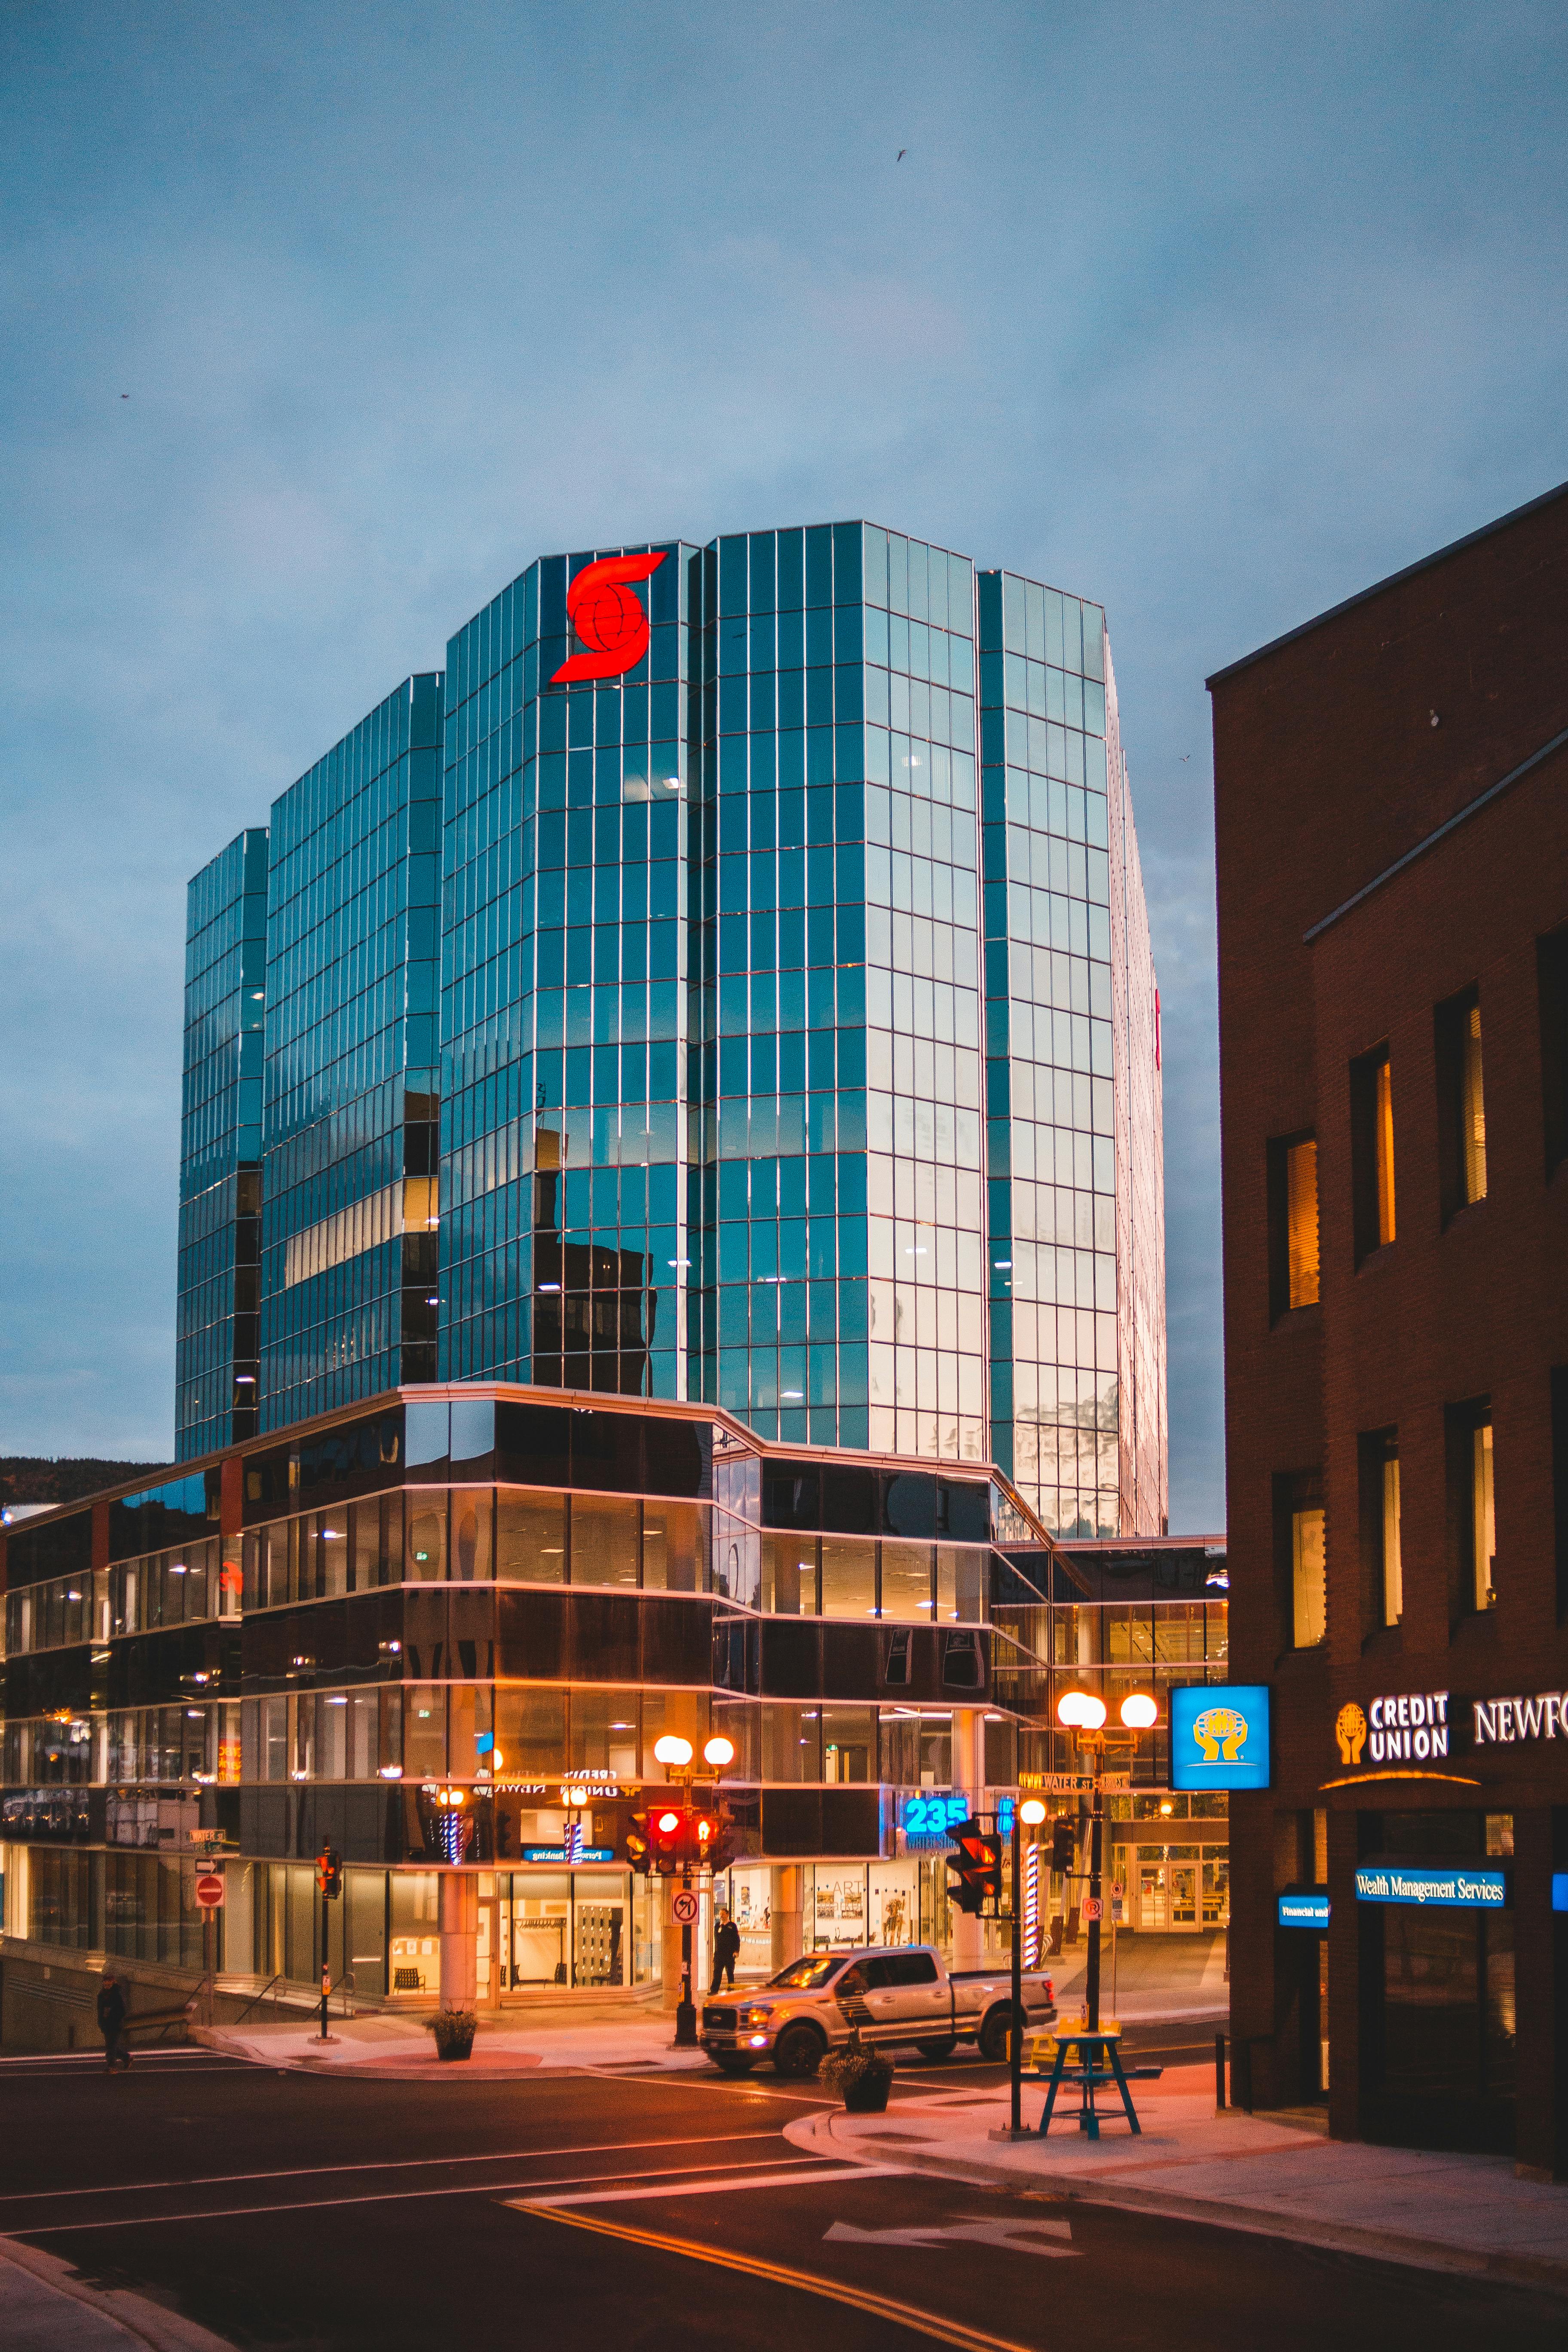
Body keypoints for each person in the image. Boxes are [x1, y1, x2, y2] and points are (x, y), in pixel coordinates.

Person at [98, 1971, 131, 2071]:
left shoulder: (117, 1994)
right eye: (106, 1981)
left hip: (115, 2025)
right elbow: (100, 2011)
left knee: (111, 2047)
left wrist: (114, 2017)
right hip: (106, 2025)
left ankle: (112, 2066)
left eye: (110, 1981)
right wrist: (101, 2023)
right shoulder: (101, 1995)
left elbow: (122, 2011)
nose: (107, 1984)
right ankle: (126, 2057)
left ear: (113, 1982)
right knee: (112, 2046)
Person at [710, 1908, 741, 1994]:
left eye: (723, 1914)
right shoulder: (717, 1926)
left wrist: (736, 1951)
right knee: (717, 1973)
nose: (721, 1916)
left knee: (730, 1973)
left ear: (727, 1914)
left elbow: (737, 1940)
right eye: (720, 1914)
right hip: (719, 1955)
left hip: (729, 1955)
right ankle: (714, 1991)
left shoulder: (732, 1926)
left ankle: (731, 1990)